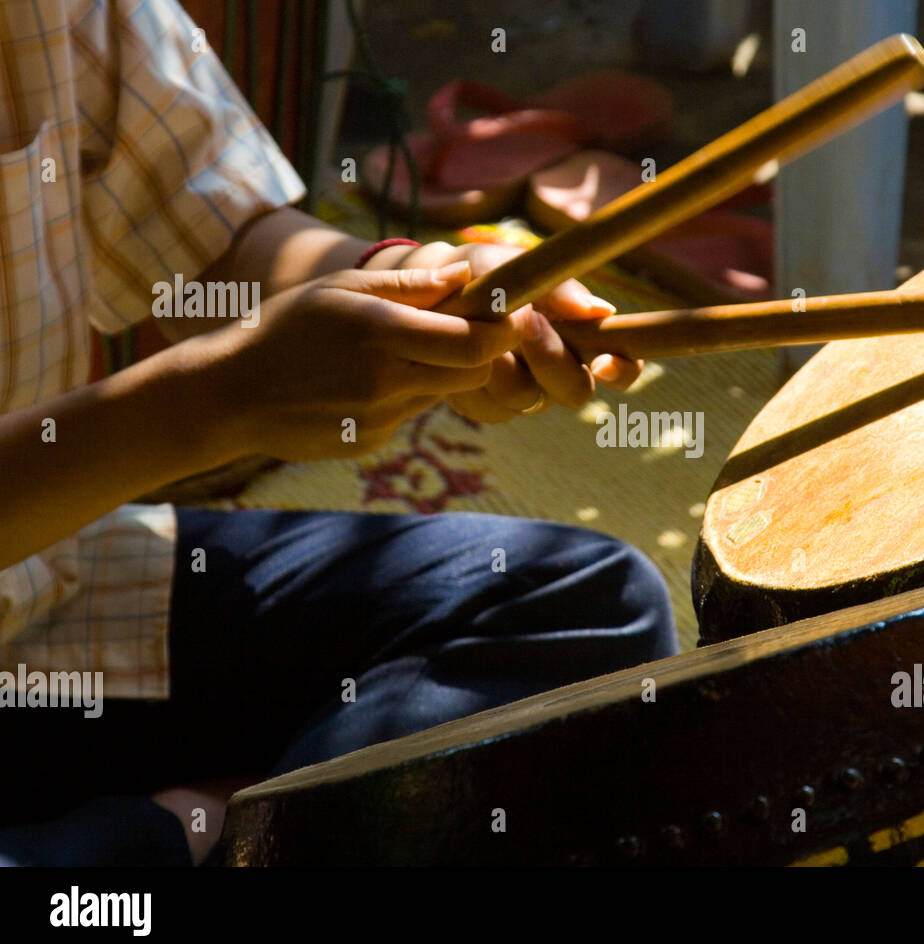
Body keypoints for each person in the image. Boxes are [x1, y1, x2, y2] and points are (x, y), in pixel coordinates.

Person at [0, 0, 676, 865]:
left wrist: (411, 283)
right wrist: (211, 404)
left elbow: (224, 232)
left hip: (41, 596)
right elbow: (208, 391)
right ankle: (175, 834)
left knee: (584, 611)